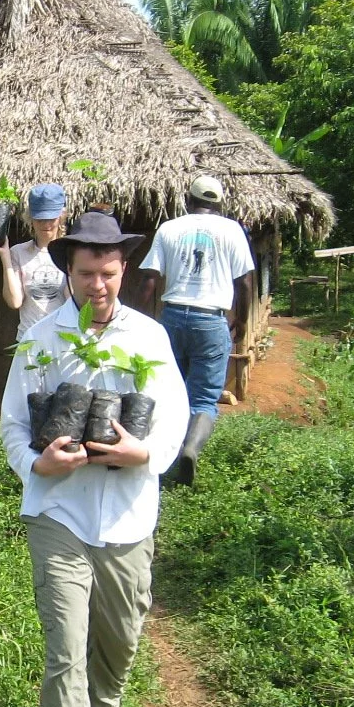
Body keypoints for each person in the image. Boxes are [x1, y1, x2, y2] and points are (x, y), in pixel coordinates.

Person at [0, 211, 189, 707]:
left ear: (123, 270)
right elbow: (12, 427)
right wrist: (38, 462)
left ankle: (106, 700)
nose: (97, 286)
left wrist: (147, 455)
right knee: (63, 648)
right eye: (86, 274)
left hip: (130, 512)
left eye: (108, 274)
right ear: (69, 272)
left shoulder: (149, 338)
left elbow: (175, 418)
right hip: (58, 510)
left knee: (122, 628)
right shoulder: (43, 339)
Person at [137, 174, 255, 482]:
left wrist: (138, 320)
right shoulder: (232, 231)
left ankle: (161, 457)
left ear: (188, 201)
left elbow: (150, 278)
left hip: (173, 316)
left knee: (166, 389)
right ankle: (190, 448)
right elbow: (244, 282)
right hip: (211, 320)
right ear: (218, 204)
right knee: (203, 397)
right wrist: (241, 321)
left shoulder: (169, 228)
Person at [0, 182, 71, 339]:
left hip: (61, 340)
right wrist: (5, 256)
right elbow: (15, 302)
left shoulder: (72, 251)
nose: (46, 224)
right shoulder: (18, 252)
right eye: (40, 219)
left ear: (61, 217)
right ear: (31, 219)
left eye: (51, 218)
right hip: (28, 340)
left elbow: (74, 302)